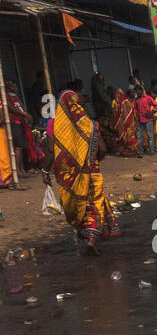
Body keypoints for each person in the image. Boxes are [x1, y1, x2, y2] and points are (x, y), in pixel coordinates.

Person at [42, 85, 120, 254]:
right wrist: (92, 161)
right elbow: (103, 149)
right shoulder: (90, 125)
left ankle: (84, 232)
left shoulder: (54, 124)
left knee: (76, 203)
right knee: (94, 203)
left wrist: (45, 171)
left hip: (68, 174)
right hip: (91, 172)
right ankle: (91, 239)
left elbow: (50, 150)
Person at [108, 86, 138, 157]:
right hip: (121, 122)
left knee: (130, 135)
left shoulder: (127, 101)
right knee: (122, 136)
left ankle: (132, 150)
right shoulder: (118, 102)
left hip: (129, 122)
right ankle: (124, 151)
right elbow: (115, 112)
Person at [133, 85, 157, 156]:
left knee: (150, 135)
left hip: (148, 119)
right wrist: (137, 116)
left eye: (138, 91)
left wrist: (152, 112)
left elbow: (156, 105)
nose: (137, 93)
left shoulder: (148, 98)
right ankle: (140, 150)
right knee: (139, 136)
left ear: (141, 90)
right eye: (136, 92)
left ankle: (151, 150)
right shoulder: (136, 100)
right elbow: (135, 109)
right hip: (140, 120)